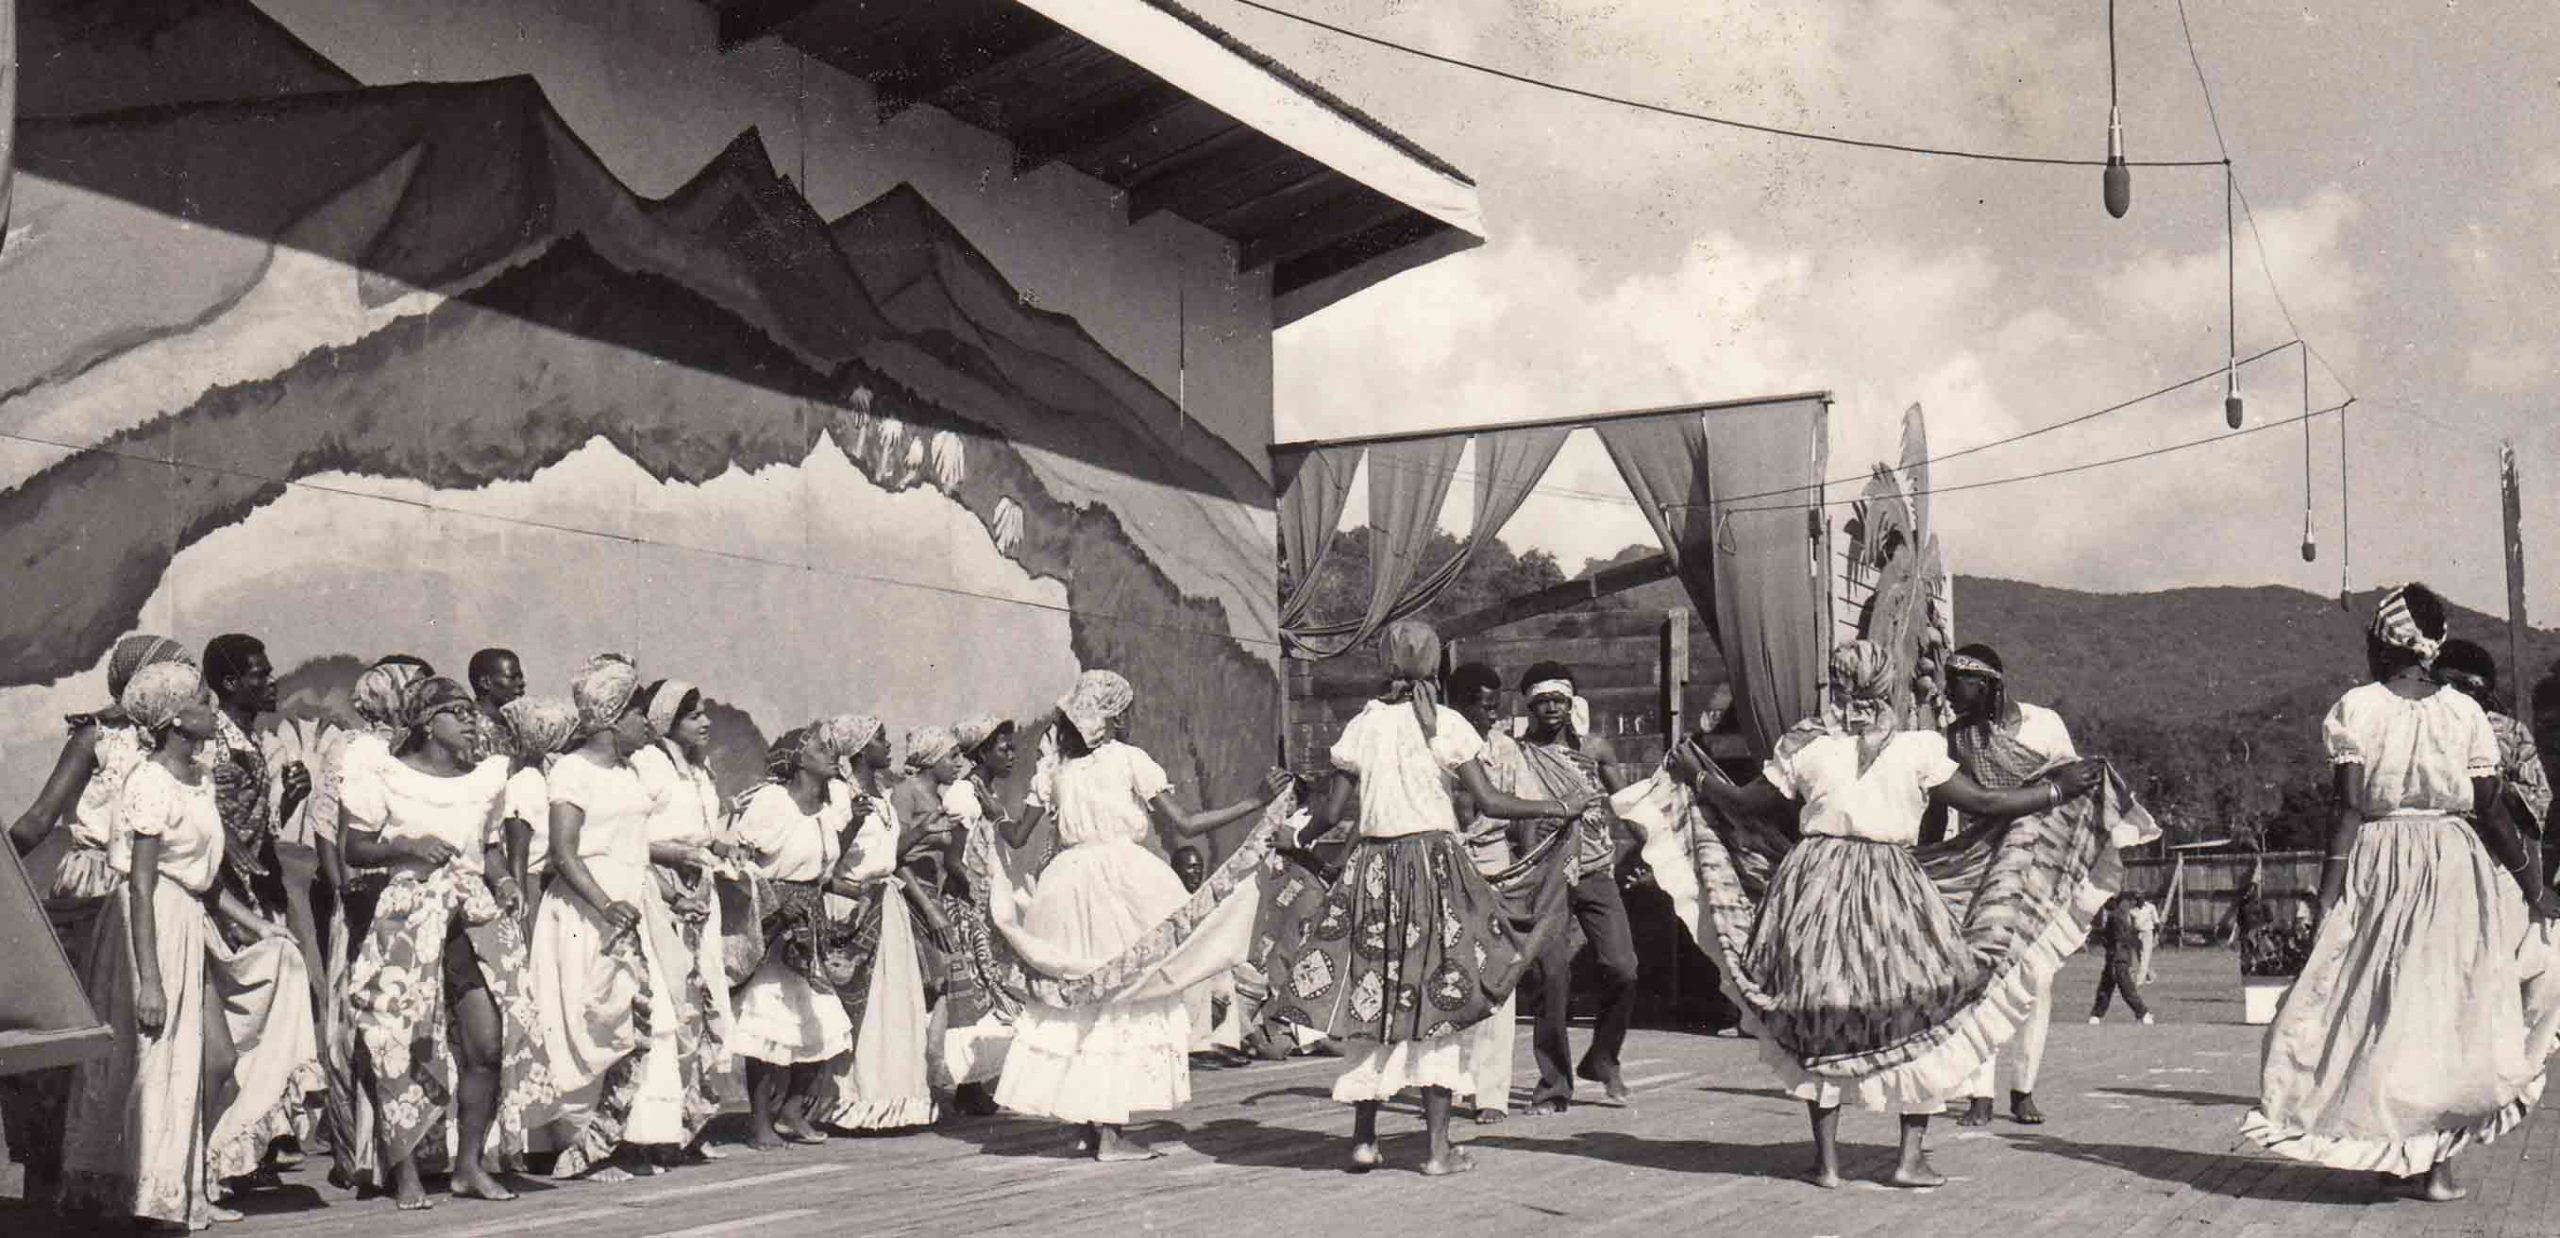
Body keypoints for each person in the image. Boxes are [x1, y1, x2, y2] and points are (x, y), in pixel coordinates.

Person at [1672, 639, 2112, 1190]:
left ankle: (1827, 1163)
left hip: (1814, 884)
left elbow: (1742, 804)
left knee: (1818, 1006)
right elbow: (1987, 804)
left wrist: (1698, 777)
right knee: (1921, 1002)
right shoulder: (1918, 748)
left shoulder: (1805, 746)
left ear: (1835, 684)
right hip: (1893, 887)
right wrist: (2055, 790)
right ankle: (1908, 1159)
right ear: (1890, 687)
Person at [2243, 584, 2560, 1203]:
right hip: (2454, 866)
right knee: (2448, 1012)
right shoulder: (2464, 713)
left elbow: (2349, 807)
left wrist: (2328, 894)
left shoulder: (2358, 708)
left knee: (2378, 1007)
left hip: (2381, 865)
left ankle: (2394, 1150)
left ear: (2387, 642)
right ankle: (2435, 1166)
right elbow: (2491, 811)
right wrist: (2532, 886)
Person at [1265, 622, 1588, 1176]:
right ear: (1434, 666)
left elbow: (1329, 814)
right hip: (1433, 869)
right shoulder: (1448, 724)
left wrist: (1295, 837)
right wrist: (1558, 808)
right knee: (1438, 996)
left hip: (1371, 871)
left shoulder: (1363, 725)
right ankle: (1437, 1150)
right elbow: (1488, 801)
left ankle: (1364, 1140)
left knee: (1374, 993)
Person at [56, 661, 320, 1230]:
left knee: (214, 1059)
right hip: (149, 926)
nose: (212, 705)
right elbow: (144, 883)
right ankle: (152, 1196)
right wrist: (147, 978)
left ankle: (188, 1183)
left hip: (189, 916)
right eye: (202, 698)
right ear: (177, 718)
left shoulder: (195, 775)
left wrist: (257, 924)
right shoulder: (149, 782)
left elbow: (203, 876)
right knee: (157, 1059)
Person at [989, 670, 1289, 1162]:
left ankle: (1090, 1125)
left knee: (1083, 996)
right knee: (1124, 995)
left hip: (1065, 884)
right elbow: (1186, 822)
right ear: (1109, 717)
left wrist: (982, 811)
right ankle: (1109, 1135)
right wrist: (1255, 801)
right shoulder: (1130, 760)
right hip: (1122, 883)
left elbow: (1016, 835)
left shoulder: (1056, 771)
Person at [1, 634, 195, 1203]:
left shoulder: (181, 747)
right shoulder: (99, 738)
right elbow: (40, 818)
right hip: (94, 891)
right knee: (77, 1034)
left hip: (157, 896)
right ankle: (48, 1177)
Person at [338, 676, 546, 1209]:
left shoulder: (484, 780)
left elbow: (491, 849)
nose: (474, 721)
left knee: (489, 1043)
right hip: (410, 919)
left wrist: (503, 884)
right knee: (401, 1046)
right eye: (461, 713)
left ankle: (469, 1165)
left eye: (472, 713)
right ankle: (404, 1172)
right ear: (430, 724)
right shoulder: (386, 775)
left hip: (470, 921)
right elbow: (355, 850)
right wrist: (406, 845)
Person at [526, 654, 697, 1180]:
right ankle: (577, 1147)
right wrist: (605, 905)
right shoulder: (573, 771)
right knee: (588, 1021)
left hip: (632, 909)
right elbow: (563, 851)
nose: (648, 723)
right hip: (586, 913)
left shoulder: (630, 770)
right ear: (613, 715)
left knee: (645, 1019)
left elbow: (636, 841)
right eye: (639, 713)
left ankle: (627, 1141)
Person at [311, 654, 433, 1193]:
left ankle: (414, 1148)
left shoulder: (414, 749)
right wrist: (345, 887)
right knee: (365, 1025)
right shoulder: (356, 749)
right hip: (366, 898)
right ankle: (365, 1153)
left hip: (412, 897)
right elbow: (327, 825)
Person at [1942, 643, 2078, 1126]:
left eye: (1955, 686)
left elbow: (2073, 788)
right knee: (1982, 972)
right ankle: (1979, 1093)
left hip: (2040, 866)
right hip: (1983, 861)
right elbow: (1945, 806)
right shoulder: (1955, 739)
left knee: (2036, 979)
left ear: (1986, 684)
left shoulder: (2045, 726)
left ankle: (2023, 1089)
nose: (1947, 695)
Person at [1506, 662, 1639, 1114]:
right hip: (1544, 875)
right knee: (1552, 977)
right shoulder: (1516, 753)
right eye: (1542, 700)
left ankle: (1603, 1057)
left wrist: (1651, 850)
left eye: (1559, 700)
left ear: (1571, 702)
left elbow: (1627, 806)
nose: (1551, 709)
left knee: (1623, 967)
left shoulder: (1595, 749)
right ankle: (1554, 1084)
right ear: (1529, 704)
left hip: (1597, 869)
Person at [727, 724, 864, 1149]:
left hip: (810, 921)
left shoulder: (828, 810)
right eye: (822, 748)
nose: (832, 754)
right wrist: (772, 903)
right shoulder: (772, 802)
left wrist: (838, 888)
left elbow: (817, 868)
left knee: (822, 1017)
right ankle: (760, 1122)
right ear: (799, 758)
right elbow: (740, 859)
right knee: (766, 1018)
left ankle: (790, 1111)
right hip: (773, 919)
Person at [629, 679, 740, 1162]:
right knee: (673, 1000)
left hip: (700, 889)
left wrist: (717, 846)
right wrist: (676, 853)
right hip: (661, 889)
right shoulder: (650, 764)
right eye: (693, 714)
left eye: (704, 713)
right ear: (666, 718)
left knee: (704, 997)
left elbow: (704, 830)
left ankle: (690, 1122)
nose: (705, 722)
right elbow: (631, 831)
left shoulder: (701, 770)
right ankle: (658, 1130)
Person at [815, 714, 941, 1133]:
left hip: (888, 905)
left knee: (895, 1004)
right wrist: (851, 819)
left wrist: (920, 830)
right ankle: (855, 1103)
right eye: (880, 739)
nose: (888, 746)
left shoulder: (883, 794)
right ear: (860, 749)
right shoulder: (838, 794)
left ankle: (895, 1103)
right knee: (861, 1007)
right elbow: (831, 855)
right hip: (854, 905)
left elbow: (888, 854)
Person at [1447, 661, 1526, 1124]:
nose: (1490, 717)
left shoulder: (1505, 750)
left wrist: (1523, 877)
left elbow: (1519, 816)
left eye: (1495, 708)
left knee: (1498, 971)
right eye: (1483, 707)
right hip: (1445, 859)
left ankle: (1491, 1091)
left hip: (1494, 860)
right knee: (1450, 970)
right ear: (1458, 704)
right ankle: (1454, 1082)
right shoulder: (1432, 741)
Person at [2437, 639, 2553, 841]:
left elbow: (2539, 809)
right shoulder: (2420, 726)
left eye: (2468, 688)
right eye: (2443, 685)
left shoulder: (2510, 732)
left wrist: (2498, 785)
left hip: (2498, 855)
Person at [495, 696, 580, 935]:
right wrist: (523, 917)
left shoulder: (553, 780)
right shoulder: (527, 783)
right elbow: (517, 857)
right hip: (532, 886)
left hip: (552, 885)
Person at [2088, 894, 2152, 1024]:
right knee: (2105, 986)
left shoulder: (2115, 917)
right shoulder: (2118, 914)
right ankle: (2096, 1015)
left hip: (2117, 957)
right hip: (2116, 955)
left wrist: (2114, 959)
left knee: (2125, 987)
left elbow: (2119, 939)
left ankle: (2143, 1013)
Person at [468, 648, 528, 762]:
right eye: (512, 677)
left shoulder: (516, 725)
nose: (521, 683)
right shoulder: (469, 730)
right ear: (486, 683)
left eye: (520, 677)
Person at [2129, 892, 2164, 985]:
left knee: (2145, 956)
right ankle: (2151, 975)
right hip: (2136, 934)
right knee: (2140, 956)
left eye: (2140, 898)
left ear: (2144, 899)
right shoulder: (2132, 909)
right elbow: (2131, 923)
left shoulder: (2150, 907)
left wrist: (2158, 936)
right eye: (2136, 899)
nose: (2138, 900)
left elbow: (2156, 922)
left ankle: (2139, 980)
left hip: (2147, 933)